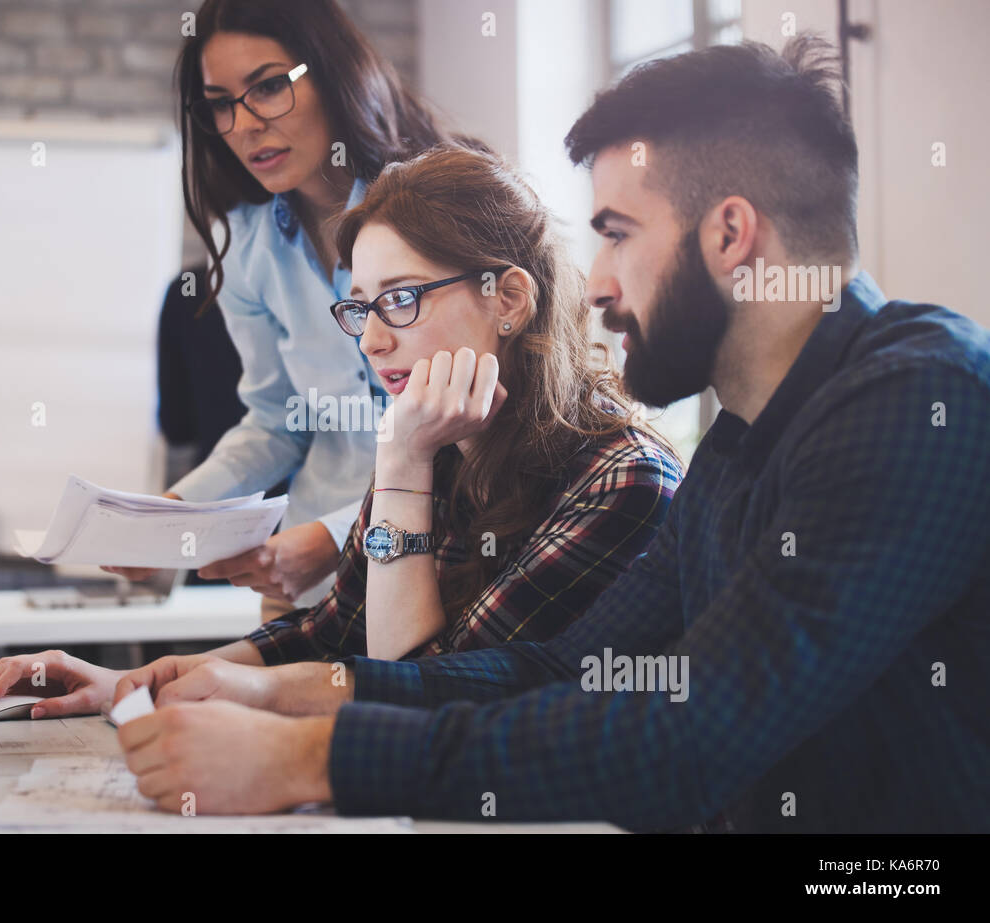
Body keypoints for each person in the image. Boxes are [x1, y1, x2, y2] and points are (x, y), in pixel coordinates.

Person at [102, 36, 990, 832]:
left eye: (617, 233)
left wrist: (307, 760)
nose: (596, 283)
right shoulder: (740, 446)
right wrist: (280, 690)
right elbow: (562, 669)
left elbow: (691, 733)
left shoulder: (915, 398)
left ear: (730, 233)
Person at [0, 144, 681, 706]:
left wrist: (401, 465)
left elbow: (423, 694)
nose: (371, 342)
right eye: (360, 307)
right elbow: (332, 631)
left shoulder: (621, 479)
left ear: (509, 299)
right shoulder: (440, 446)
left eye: (400, 300)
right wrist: (136, 684)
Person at [107, 0, 480, 617]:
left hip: (442, 559)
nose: (245, 123)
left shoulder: (436, 211)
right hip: (309, 587)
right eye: (220, 103)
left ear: (335, 74)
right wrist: (175, 512)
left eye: (270, 87)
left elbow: (474, 419)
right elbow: (278, 422)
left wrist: (338, 537)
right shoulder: (250, 247)